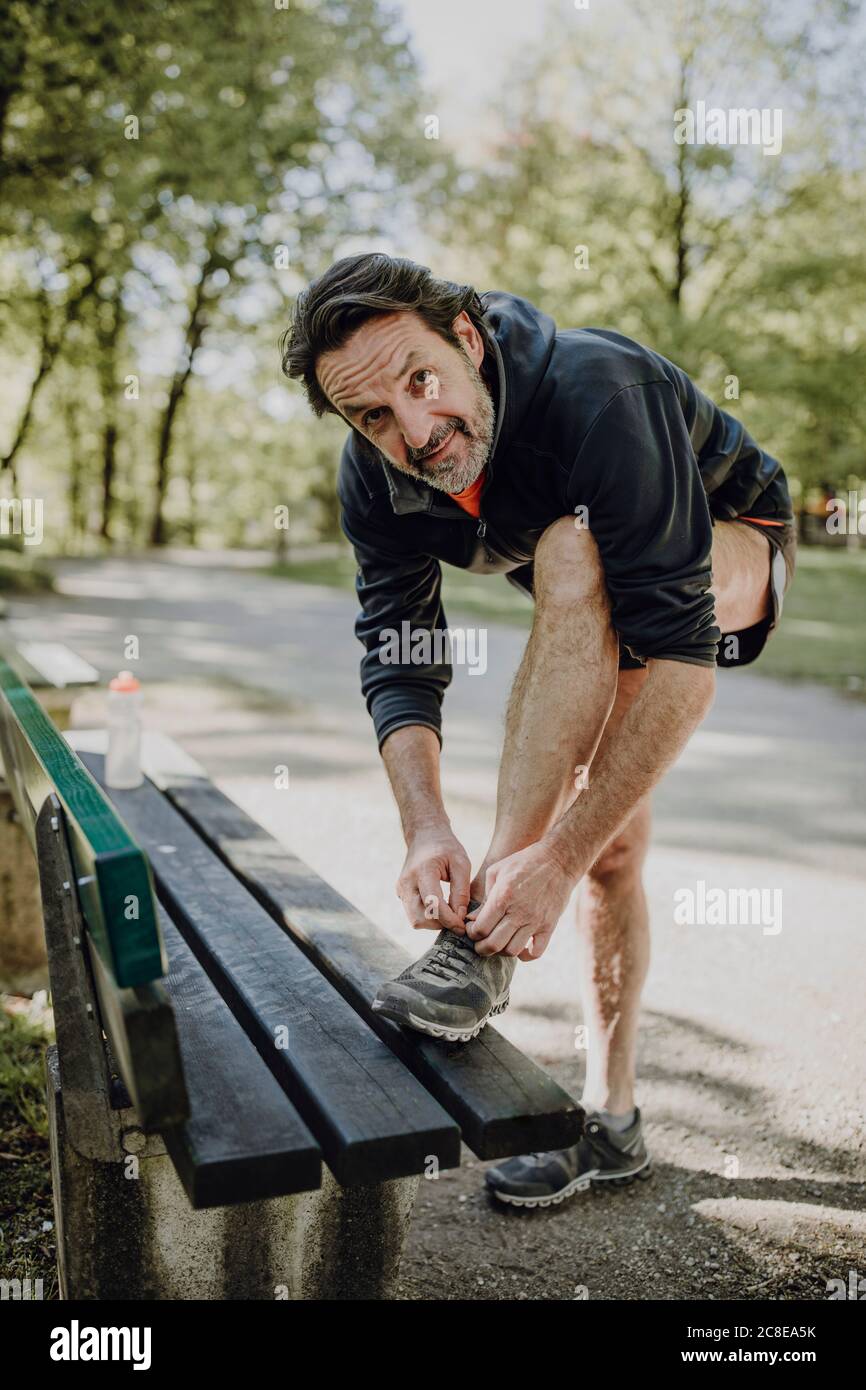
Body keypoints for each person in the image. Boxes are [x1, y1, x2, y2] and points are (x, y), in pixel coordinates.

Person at [280, 252, 796, 1208]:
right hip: (593, 573)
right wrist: (425, 826)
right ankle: (613, 1122)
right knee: (613, 851)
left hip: (728, 541)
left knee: (571, 550)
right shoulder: (376, 477)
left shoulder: (602, 393)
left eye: (422, 381)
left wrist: (545, 860)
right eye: (374, 416)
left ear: (467, 338)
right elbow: (399, 655)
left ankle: (474, 953)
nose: (416, 430)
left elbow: (685, 663)